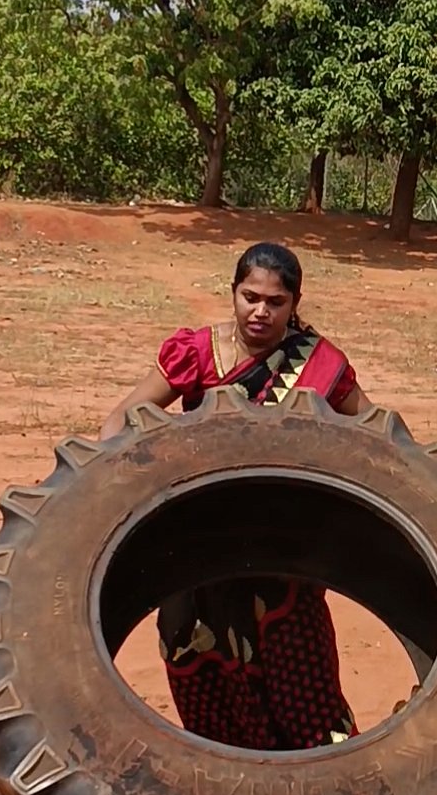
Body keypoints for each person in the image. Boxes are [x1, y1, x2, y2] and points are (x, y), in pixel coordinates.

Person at [100, 241, 372, 752]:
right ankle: (232, 791)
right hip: (196, 548)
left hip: (282, 556)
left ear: (294, 305)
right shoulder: (198, 352)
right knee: (200, 666)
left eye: (275, 302)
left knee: (303, 687)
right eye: (250, 297)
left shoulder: (320, 364)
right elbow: (120, 419)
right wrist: (121, 472)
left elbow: (379, 436)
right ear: (233, 293)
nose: (260, 312)